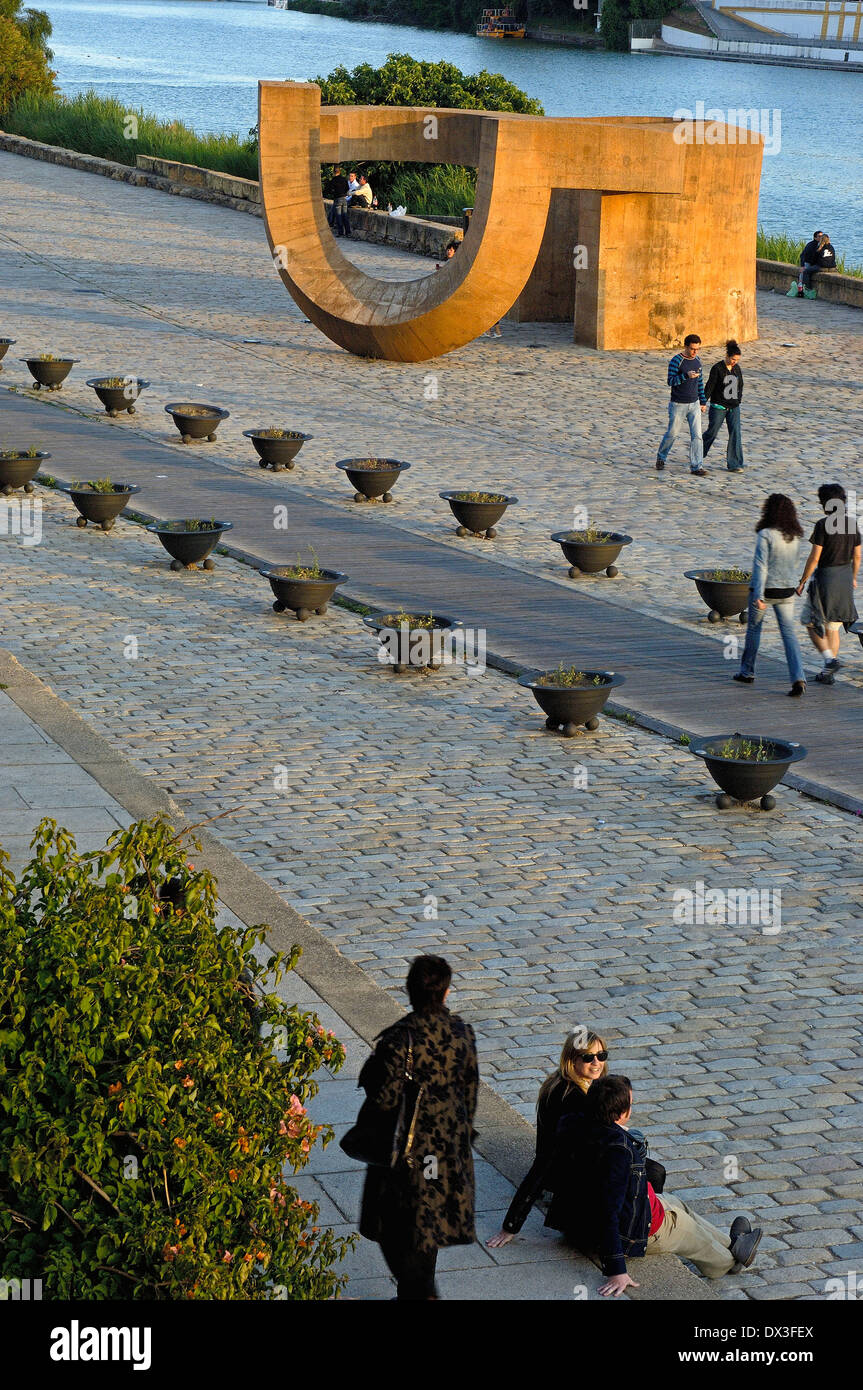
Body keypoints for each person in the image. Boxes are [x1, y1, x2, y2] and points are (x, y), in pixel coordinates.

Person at [551, 1075, 762, 1296]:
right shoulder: (619, 1151)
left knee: (677, 1203)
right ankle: (729, 1262)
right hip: (643, 1229)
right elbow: (608, 1212)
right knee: (688, 1230)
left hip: (634, 1209)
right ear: (623, 1113)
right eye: (630, 1104)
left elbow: (542, 1172)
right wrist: (616, 1270)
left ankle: (735, 1244)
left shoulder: (574, 1124)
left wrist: (511, 1225)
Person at [358, 955, 478, 1300]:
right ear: (446, 992)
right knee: (426, 1232)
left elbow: (383, 1099)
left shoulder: (399, 1041)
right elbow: (469, 1093)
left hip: (406, 1156)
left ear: (408, 991)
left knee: (397, 1235)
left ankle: (421, 1295)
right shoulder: (462, 1033)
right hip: (446, 1154)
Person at [487, 1030, 609, 1248]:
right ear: (572, 1059)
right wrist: (511, 1225)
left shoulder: (564, 1082)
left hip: (569, 1167)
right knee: (653, 1173)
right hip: (566, 1175)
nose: (597, 1063)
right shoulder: (573, 1100)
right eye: (589, 1057)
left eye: (601, 1056)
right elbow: (545, 1162)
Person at [734, 494, 806, 696]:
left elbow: (761, 566)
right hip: (787, 591)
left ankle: (747, 671)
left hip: (766, 590)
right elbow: (795, 564)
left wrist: (758, 594)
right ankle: (798, 677)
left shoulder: (765, 534)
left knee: (754, 630)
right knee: (789, 634)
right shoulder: (795, 536)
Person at [797, 482, 860, 684]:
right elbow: (857, 555)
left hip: (826, 578)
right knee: (833, 626)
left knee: (809, 621)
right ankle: (827, 672)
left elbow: (815, 557)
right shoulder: (852, 524)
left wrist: (802, 580)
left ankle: (830, 661)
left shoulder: (822, 525)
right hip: (844, 578)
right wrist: (853, 577)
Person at [655, 333, 708, 476]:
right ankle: (661, 457)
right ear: (686, 346)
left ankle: (697, 466)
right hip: (678, 404)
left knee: (697, 436)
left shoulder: (697, 361)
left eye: (697, 349)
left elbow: (700, 383)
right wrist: (685, 376)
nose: (695, 352)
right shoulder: (676, 361)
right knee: (672, 434)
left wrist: (703, 401)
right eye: (692, 349)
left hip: (694, 404)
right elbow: (670, 381)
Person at [702, 340, 744, 472]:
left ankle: (735, 464)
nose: (734, 362)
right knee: (712, 432)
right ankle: (697, 454)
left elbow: (740, 385)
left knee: (735, 434)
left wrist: (738, 400)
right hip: (718, 407)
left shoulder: (737, 369)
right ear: (727, 355)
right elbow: (710, 386)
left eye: (737, 360)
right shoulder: (717, 368)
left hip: (733, 408)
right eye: (732, 359)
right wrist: (702, 402)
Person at [795, 231, 836, 297]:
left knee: (806, 272)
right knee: (805, 269)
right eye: (819, 236)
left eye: (821, 236)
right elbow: (803, 255)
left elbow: (815, 259)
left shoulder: (819, 247)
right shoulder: (831, 247)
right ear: (815, 237)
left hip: (822, 266)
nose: (820, 237)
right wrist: (803, 265)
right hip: (833, 267)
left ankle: (807, 290)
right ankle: (801, 290)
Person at [326, 166, 350, 238]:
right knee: (345, 215)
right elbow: (347, 189)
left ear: (333, 172)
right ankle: (348, 232)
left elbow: (329, 190)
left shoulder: (333, 180)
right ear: (340, 171)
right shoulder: (344, 179)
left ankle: (341, 232)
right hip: (345, 199)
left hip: (337, 199)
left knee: (338, 216)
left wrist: (334, 193)